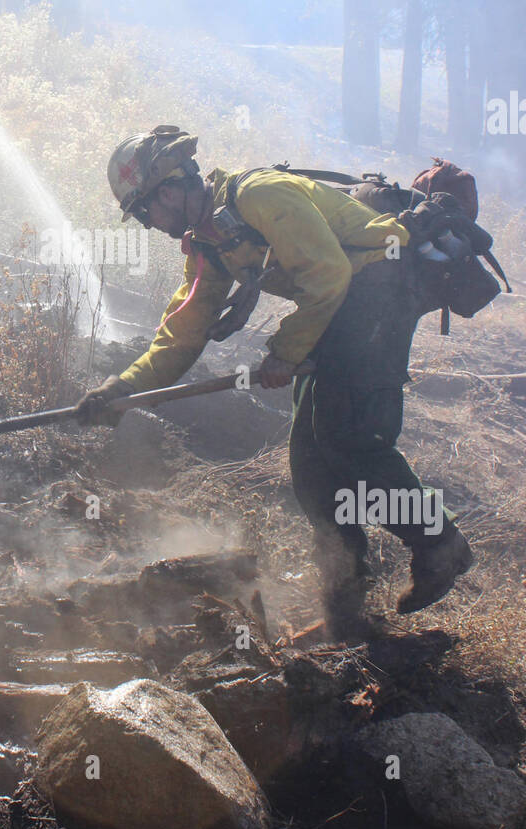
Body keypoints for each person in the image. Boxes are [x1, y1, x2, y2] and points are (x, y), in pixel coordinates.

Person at [76, 125, 474, 634]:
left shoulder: (261, 196)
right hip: (334, 309)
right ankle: (345, 604)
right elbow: (182, 336)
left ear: (168, 192)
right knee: (309, 463)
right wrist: (121, 391)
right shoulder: (211, 242)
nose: (148, 225)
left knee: (350, 439)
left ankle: (441, 545)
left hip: (379, 291)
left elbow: (329, 273)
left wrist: (284, 352)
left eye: (143, 211)